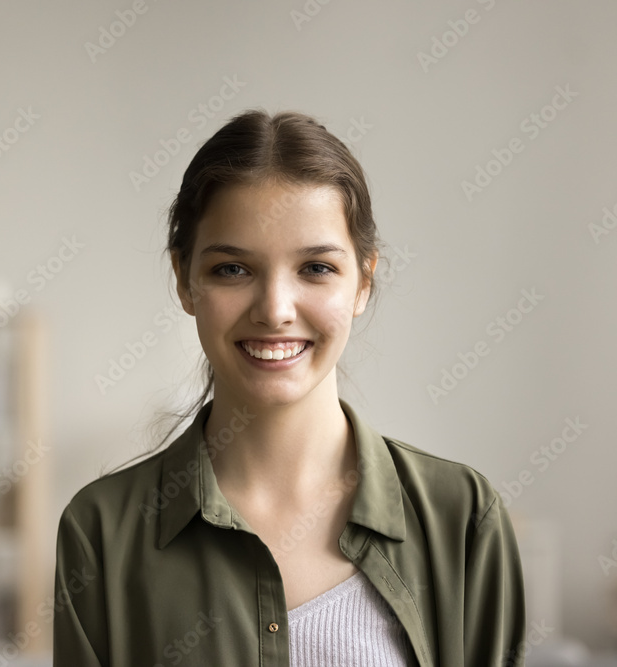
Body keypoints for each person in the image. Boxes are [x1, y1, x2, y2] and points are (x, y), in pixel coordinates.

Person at [53, 109, 527, 666]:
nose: (275, 310)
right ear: (184, 280)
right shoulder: (102, 534)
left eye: (316, 268)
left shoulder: (463, 518)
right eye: (233, 269)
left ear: (363, 283)